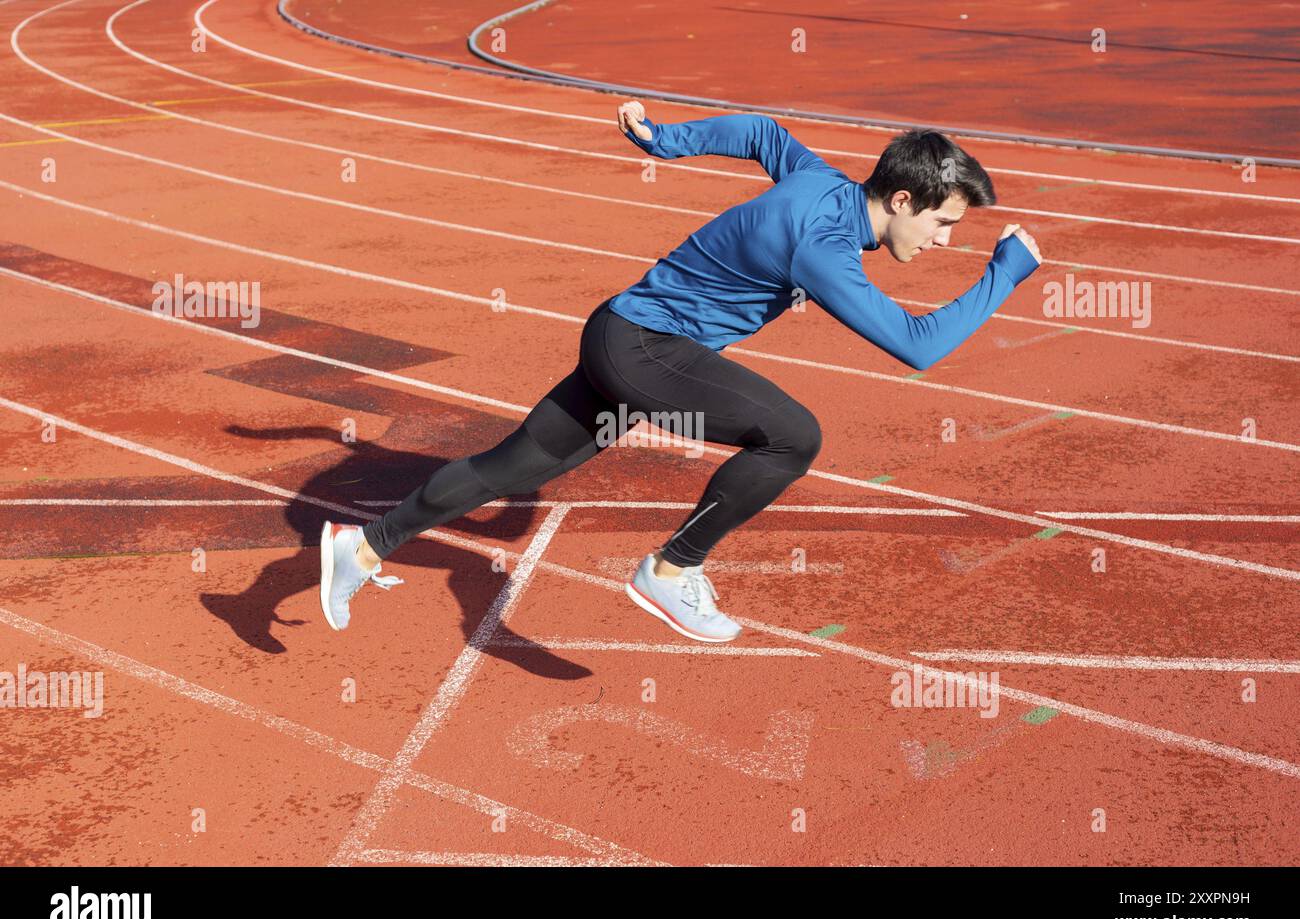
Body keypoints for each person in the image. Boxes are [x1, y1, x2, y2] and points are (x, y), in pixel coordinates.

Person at [320, 100, 1042, 643]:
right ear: (902, 200)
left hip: (621, 338)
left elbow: (762, 133)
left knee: (509, 470)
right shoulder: (822, 245)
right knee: (792, 437)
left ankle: (360, 546)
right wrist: (1002, 275)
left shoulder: (821, 182)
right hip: (646, 352)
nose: (945, 240)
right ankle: (670, 570)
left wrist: (668, 140)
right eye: (944, 223)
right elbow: (915, 345)